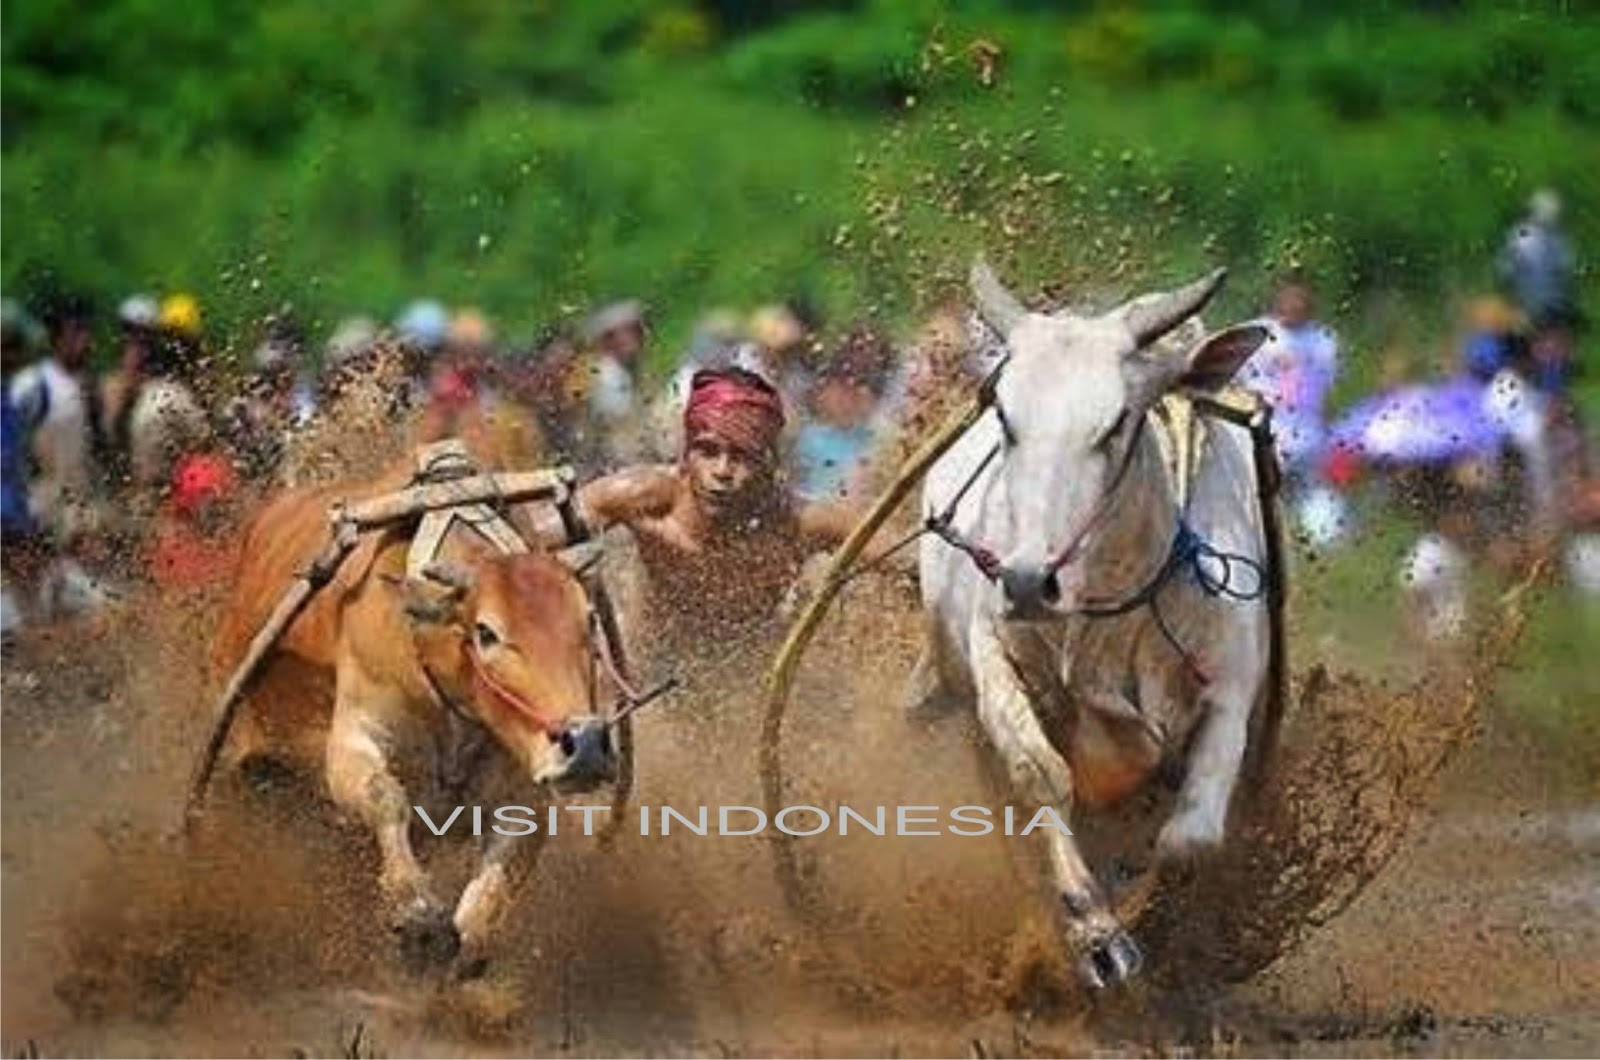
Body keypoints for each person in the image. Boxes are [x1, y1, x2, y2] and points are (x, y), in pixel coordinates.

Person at [540, 366, 867, 653]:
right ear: (686, 455)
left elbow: (906, 554)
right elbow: (527, 540)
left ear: (768, 465)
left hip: (753, 680)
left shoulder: (799, 522)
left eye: (742, 456)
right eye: (707, 451)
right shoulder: (642, 498)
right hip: (648, 674)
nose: (723, 471)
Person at [1497, 188, 1578, 331]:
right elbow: (1567, 277)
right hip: (1553, 311)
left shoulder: (1520, 234)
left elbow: (1504, 272)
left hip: (1525, 310)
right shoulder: (1560, 240)